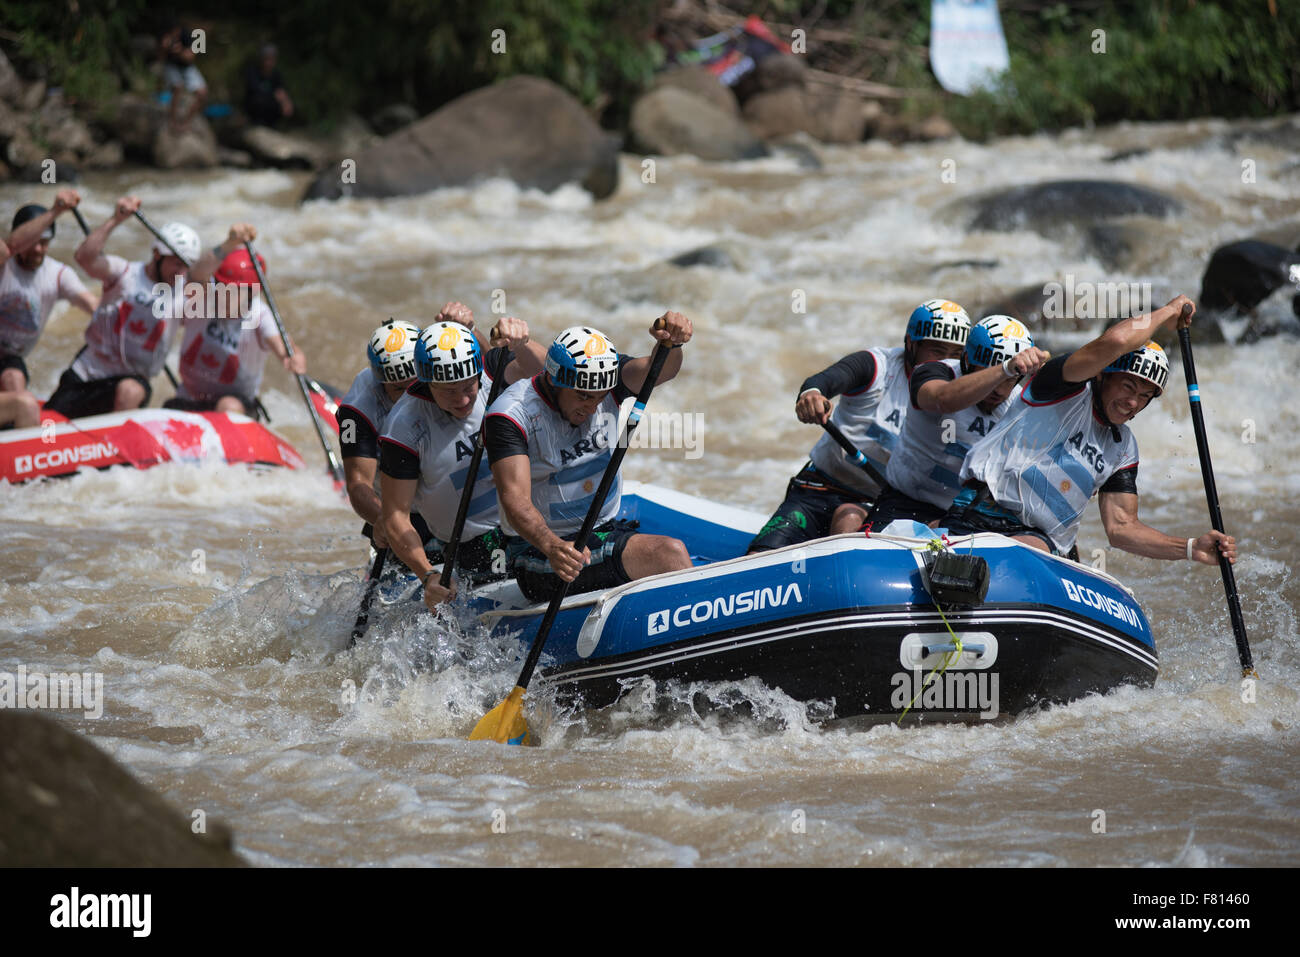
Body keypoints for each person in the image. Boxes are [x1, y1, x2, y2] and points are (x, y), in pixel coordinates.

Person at [941, 295, 1238, 566]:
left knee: (1033, 552)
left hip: (1039, 542)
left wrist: (1190, 548)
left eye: (1145, 396)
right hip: (979, 514)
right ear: (1103, 375)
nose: (1132, 402)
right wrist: (1168, 313)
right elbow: (1115, 342)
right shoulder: (1062, 385)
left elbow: (1121, 528)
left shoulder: (1123, 448)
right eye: (1127, 386)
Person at [485, 315, 695, 603]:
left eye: (600, 397)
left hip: (603, 531)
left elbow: (659, 371)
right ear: (554, 379)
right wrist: (553, 546)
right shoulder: (511, 415)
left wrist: (672, 343)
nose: (592, 406)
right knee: (669, 554)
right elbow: (515, 501)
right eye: (583, 396)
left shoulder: (603, 377)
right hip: (539, 554)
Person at [747, 298, 971, 552]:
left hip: (876, 503)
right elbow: (825, 380)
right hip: (818, 487)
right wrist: (813, 394)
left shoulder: (965, 397)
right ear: (910, 344)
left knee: (848, 518)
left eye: (955, 355)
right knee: (759, 555)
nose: (947, 363)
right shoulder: (878, 366)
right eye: (937, 352)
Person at [379, 316, 546, 608]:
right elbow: (396, 515)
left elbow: (549, 374)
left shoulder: (492, 373)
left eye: (468, 386)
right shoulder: (404, 426)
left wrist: (522, 344)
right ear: (427, 382)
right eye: (448, 391)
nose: (463, 400)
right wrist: (427, 574)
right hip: (468, 548)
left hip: (528, 526)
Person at [46, 196, 252, 419]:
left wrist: (229, 244)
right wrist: (115, 219)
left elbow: (202, 276)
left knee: (130, 390)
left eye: (186, 266)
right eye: (176, 263)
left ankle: (118, 445)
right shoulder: (124, 273)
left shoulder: (185, 292)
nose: (181, 272)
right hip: (86, 374)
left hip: (131, 386)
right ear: (156, 255)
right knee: (48, 421)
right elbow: (85, 258)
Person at [865, 315, 1049, 529]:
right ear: (968, 362)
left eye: (1009, 379)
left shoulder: (1020, 405)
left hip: (969, 515)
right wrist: (1005, 369)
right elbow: (942, 399)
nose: (999, 390)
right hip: (905, 505)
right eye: (991, 374)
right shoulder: (934, 372)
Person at [338, 303, 477, 550]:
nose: (409, 396)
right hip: (395, 503)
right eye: (399, 389)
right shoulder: (357, 412)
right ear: (381, 384)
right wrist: (384, 521)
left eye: (415, 384)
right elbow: (358, 484)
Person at [164, 247, 305, 419]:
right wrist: (229, 243)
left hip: (237, 406)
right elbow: (193, 276)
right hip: (190, 399)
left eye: (232, 291)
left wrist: (292, 356)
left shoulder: (260, 315)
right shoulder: (202, 300)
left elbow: (282, 346)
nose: (223, 295)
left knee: (228, 406)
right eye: (221, 286)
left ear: (251, 293)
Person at [0, 191, 99, 428]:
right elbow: (8, 247)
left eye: (44, 243)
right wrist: (56, 211)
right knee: (23, 402)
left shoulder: (57, 274)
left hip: (8, 359)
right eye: (33, 242)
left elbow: (92, 305)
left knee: (15, 380)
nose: (38, 249)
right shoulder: (4, 265)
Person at [159, 23, 207, 131]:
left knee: (202, 93)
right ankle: (172, 121)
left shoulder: (187, 35)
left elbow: (190, 57)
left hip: (186, 66)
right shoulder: (164, 36)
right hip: (171, 65)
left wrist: (179, 51)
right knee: (177, 87)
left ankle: (186, 122)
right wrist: (164, 48)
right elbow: (160, 59)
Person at [243, 44, 293, 128]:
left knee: (284, 104)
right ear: (262, 59)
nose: (269, 62)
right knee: (259, 101)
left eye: (272, 59)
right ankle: (256, 124)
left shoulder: (276, 74)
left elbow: (280, 90)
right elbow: (254, 91)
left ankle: (275, 126)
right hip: (254, 107)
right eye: (267, 59)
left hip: (271, 106)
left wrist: (286, 103)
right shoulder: (252, 72)